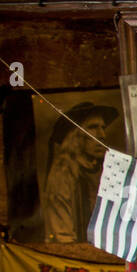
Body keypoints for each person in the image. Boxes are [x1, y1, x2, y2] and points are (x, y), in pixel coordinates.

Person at [42, 101, 116, 243]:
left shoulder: (106, 170)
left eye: (103, 128)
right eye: (93, 128)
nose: (102, 135)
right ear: (75, 135)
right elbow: (62, 235)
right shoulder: (63, 173)